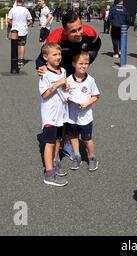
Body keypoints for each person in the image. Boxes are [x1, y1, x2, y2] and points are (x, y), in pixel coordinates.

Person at [39, 43, 69, 187]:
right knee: (49, 143)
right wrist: (58, 84)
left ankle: (55, 162)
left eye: (59, 54)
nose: (58, 57)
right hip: (50, 115)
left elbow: (64, 86)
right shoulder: (44, 74)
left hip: (61, 113)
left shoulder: (62, 70)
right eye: (54, 55)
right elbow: (45, 94)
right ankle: (49, 173)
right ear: (45, 57)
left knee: (58, 140)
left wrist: (65, 85)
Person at [35, 11, 102, 76]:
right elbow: (41, 58)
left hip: (77, 61)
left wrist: (85, 61)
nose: (78, 34)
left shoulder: (90, 32)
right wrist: (40, 66)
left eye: (80, 28)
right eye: (73, 31)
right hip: (61, 65)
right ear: (65, 32)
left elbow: (96, 46)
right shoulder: (54, 39)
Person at [66, 51, 100, 171]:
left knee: (86, 139)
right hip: (71, 116)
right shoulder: (68, 80)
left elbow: (96, 96)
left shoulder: (90, 80)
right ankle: (77, 156)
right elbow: (65, 96)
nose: (84, 66)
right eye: (80, 63)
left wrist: (86, 104)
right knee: (73, 137)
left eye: (86, 63)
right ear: (74, 64)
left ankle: (92, 158)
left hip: (85, 117)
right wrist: (68, 100)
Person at [8, 0, 33, 66]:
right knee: (22, 45)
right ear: (22, 2)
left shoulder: (12, 10)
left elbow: (8, 20)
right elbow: (30, 21)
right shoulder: (26, 10)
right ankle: (21, 60)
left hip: (15, 30)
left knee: (15, 45)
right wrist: (26, 24)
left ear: (16, 1)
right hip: (23, 30)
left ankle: (15, 58)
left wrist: (14, 24)